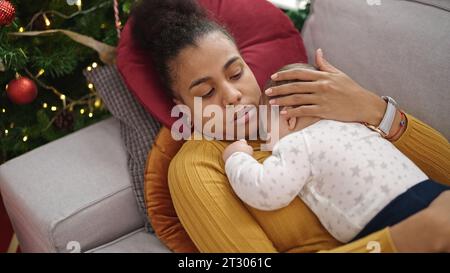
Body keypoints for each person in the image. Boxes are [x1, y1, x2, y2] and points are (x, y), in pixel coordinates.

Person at [132, 0, 450, 252]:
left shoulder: (305, 102)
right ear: (182, 107)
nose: (232, 95)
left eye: (236, 73)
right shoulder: (196, 168)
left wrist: (372, 108)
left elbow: (444, 173)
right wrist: (408, 238)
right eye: (206, 92)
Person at [222, 63, 450, 243]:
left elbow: (267, 190)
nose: (266, 139)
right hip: (434, 192)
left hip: (392, 219)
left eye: (266, 128)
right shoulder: (356, 122)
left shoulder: (297, 143)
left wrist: (237, 157)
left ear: (288, 118)